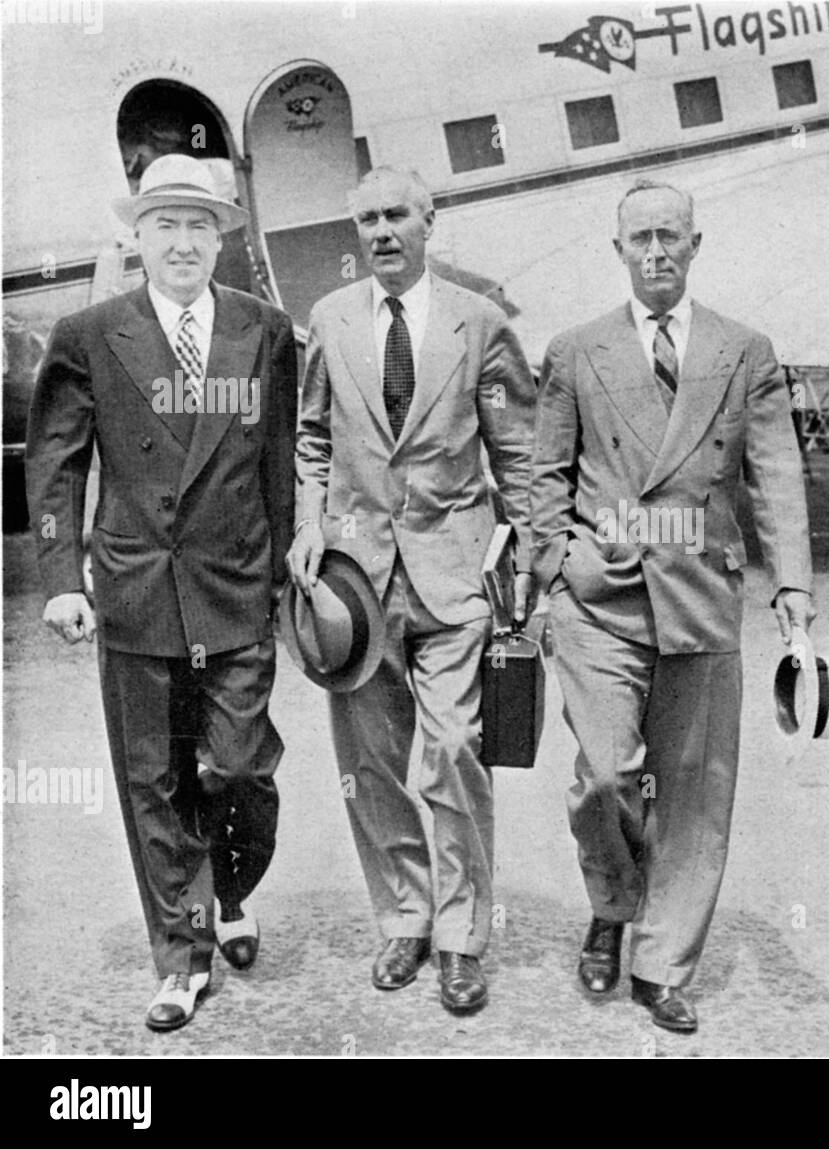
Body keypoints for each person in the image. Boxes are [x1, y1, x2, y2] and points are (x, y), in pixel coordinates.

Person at [531, 178, 814, 1033]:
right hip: (602, 595)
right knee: (606, 774)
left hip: (699, 594)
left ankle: (662, 961)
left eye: (671, 237)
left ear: (697, 246)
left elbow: (777, 477)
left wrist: (793, 590)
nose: (656, 251)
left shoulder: (745, 350)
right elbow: (544, 476)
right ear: (617, 251)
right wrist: (553, 569)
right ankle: (614, 903)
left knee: (694, 791)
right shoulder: (575, 351)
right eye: (640, 238)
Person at [26, 153, 297, 1031]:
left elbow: (280, 466)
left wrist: (286, 572)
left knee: (238, 764)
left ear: (221, 236)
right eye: (164, 224)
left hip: (237, 584)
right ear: (136, 236)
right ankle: (181, 957)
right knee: (153, 778)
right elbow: (56, 465)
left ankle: (229, 886)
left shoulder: (263, 331)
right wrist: (64, 577)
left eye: (199, 224)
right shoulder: (90, 333)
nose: (183, 241)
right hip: (139, 589)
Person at [287, 167, 535, 1014]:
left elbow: (519, 454)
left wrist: (525, 560)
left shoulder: (481, 322)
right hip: (353, 588)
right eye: (368, 220)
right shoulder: (330, 319)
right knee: (370, 760)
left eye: (397, 215)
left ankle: (463, 937)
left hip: (454, 578)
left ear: (431, 220)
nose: (383, 232)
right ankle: (404, 914)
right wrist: (309, 521)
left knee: (456, 750)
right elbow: (313, 435)